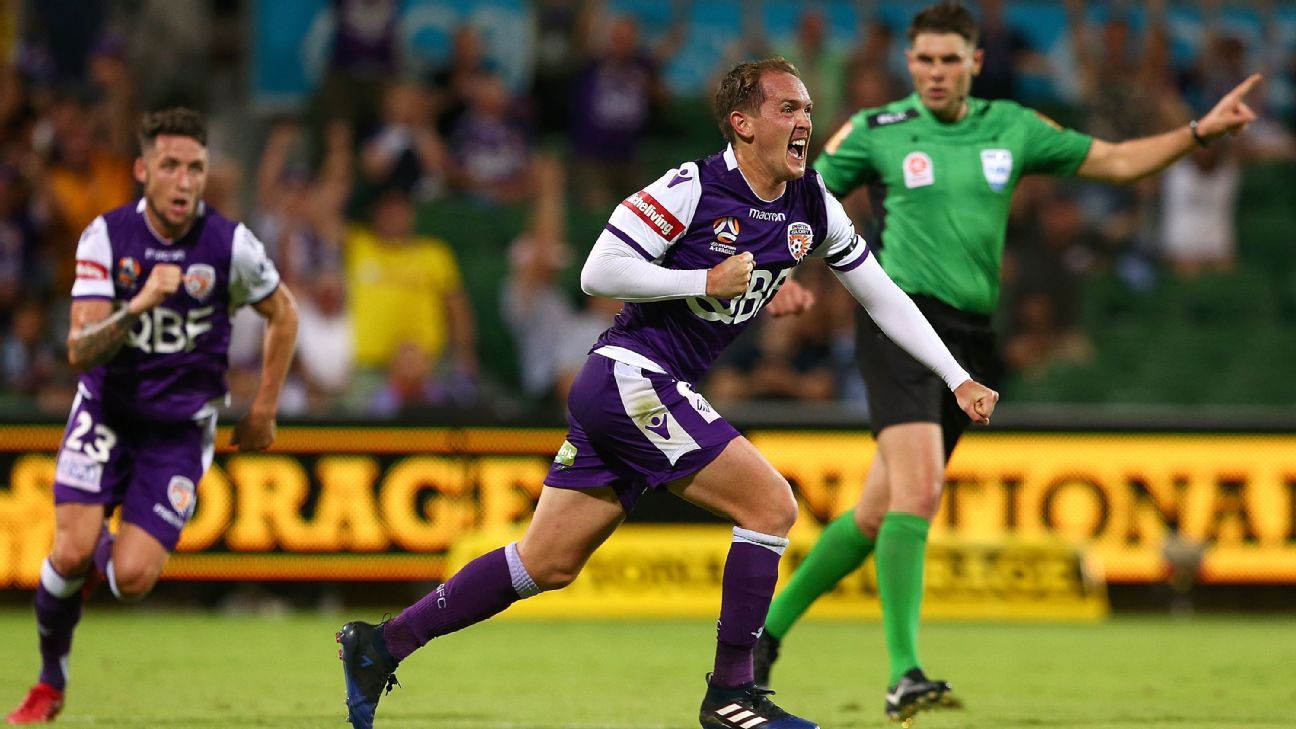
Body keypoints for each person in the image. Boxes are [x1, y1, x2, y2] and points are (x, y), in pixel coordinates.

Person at [334, 56, 998, 729]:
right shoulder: (691, 187)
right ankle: (733, 693)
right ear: (742, 123)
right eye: (788, 109)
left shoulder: (811, 203)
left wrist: (957, 376)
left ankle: (380, 643)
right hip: (628, 374)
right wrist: (702, 281)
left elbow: (882, 295)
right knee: (770, 504)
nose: (805, 122)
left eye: (806, 109)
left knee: (547, 562)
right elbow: (599, 269)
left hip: (635, 388)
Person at [754, 2, 1262, 723]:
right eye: (923, 59)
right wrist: (787, 270)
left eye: (948, 60)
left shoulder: (1012, 127)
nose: (934, 72)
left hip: (971, 338)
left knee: (875, 514)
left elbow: (1115, 162)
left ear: (975, 62)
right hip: (900, 323)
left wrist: (1199, 132)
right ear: (910, 62)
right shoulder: (879, 130)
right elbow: (805, 196)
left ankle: (763, 637)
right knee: (920, 492)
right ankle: (905, 672)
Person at [6, 108, 299, 724]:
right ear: (143, 171)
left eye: (195, 167)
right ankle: (49, 680)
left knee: (132, 579)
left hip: (178, 431)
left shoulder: (230, 245)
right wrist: (139, 304)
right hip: (106, 414)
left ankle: (96, 561)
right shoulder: (106, 239)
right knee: (68, 553)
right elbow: (79, 348)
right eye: (170, 166)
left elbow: (285, 313)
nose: (184, 180)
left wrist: (264, 406)